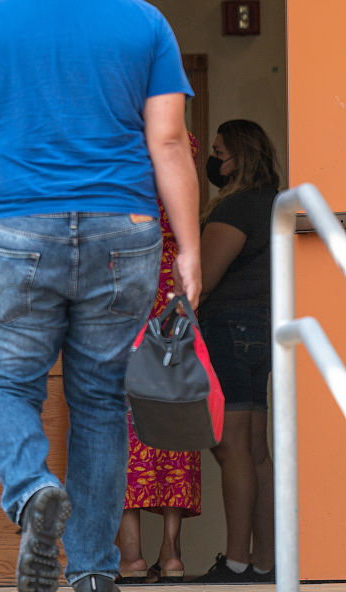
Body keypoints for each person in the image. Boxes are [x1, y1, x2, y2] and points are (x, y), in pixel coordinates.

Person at [0, 0, 200, 592]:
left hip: (19, 227)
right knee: (103, 401)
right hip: (126, 233)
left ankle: (30, 490)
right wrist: (191, 250)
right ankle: (94, 572)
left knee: (5, 385)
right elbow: (169, 142)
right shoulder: (146, 22)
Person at [190, 119, 280, 584]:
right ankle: (266, 562)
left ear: (239, 157)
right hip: (263, 330)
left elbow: (202, 279)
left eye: (220, 152)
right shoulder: (273, 205)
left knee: (232, 449)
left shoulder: (237, 207)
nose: (213, 161)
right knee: (256, 450)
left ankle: (238, 561)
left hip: (229, 328)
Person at [116, 134, 203, 583]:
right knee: (174, 410)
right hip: (172, 286)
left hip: (123, 282)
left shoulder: (116, 136)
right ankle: (171, 553)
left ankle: (130, 555)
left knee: (121, 417)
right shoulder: (181, 143)